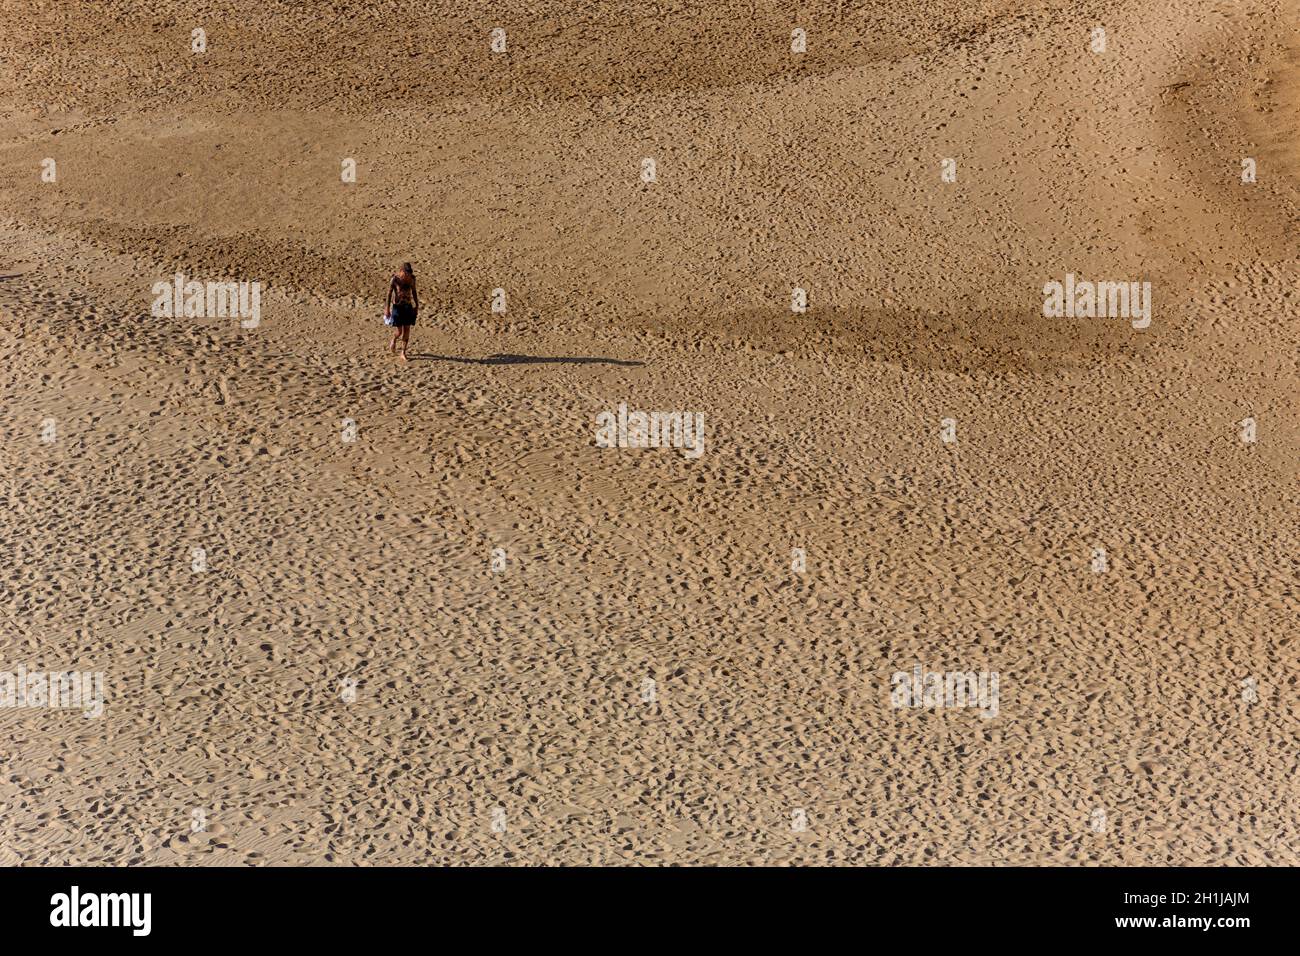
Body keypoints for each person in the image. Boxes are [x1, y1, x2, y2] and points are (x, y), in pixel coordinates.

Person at [385, 262, 419, 360]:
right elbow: (389, 294)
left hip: (408, 306)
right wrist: (387, 309)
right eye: (406, 274)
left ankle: (403, 352)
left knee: (407, 329)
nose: (407, 276)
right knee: (399, 331)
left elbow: (414, 291)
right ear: (401, 271)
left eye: (409, 274)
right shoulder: (394, 279)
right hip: (398, 307)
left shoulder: (412, 279)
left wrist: (416, 305)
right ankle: (394, 339)